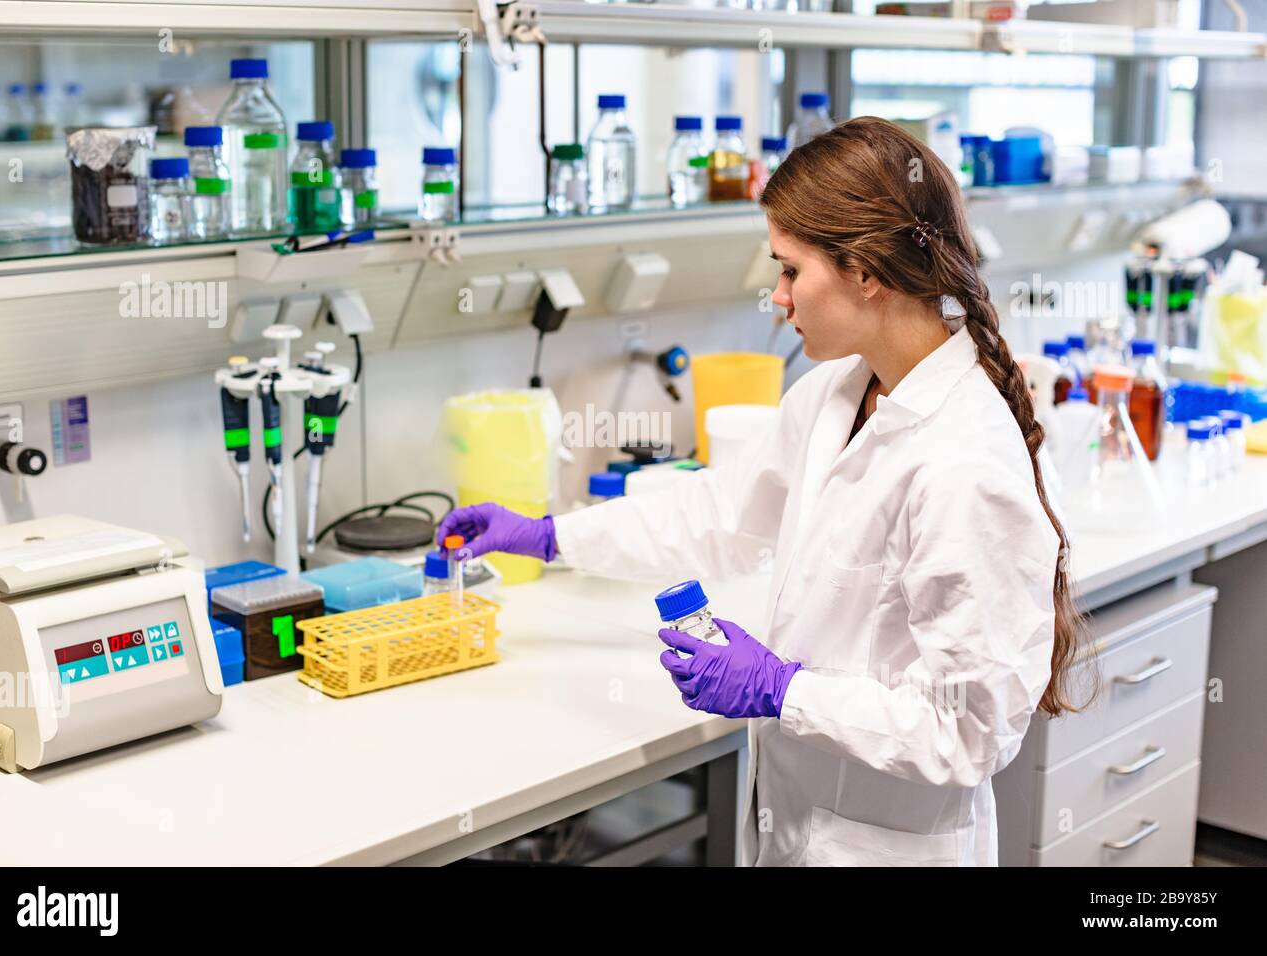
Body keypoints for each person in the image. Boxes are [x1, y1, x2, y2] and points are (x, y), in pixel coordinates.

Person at [437, 116, 1092, 867]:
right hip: (797, 825)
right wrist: (550, 536)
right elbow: (718, 512)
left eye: (790, 269)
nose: (776, 296)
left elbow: (970, 733)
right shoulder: (838, 394)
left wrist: (786, 691)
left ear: (866, 273)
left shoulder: (961, 465)